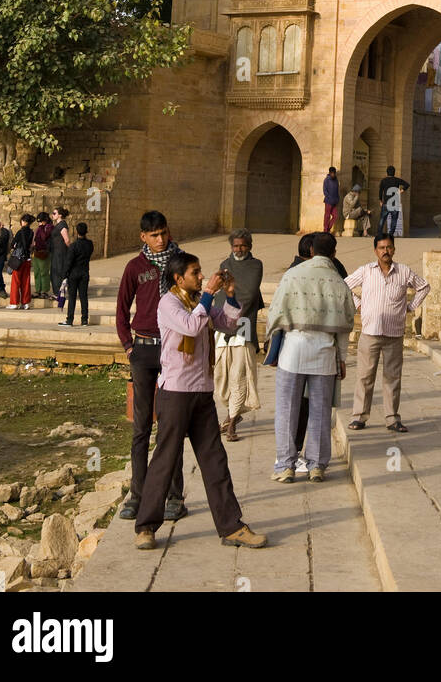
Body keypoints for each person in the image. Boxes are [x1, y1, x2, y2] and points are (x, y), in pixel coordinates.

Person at [134, 250, 267, 551]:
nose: (202, 276)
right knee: (165, 459)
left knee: (215, 459)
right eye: (196, 272)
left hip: (201, 391)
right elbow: (192, 327)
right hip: (176, 392)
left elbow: (230, 323)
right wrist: (209, 295)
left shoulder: (199, 303)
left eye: (201, 271)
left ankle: (231, 526)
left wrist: (230, 297)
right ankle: (146, 526)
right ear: (179, 278)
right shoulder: (168, 303)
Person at [267, 231, 356, 483]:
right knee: (319, 410)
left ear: (312, 251)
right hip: (325, 354)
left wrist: (272, 342)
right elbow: (344, 326)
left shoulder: (292, 275)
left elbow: (275, 315)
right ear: (334, 253)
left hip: (293, 351)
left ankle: (286, 465)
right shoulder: (339, 282)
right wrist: (341, 358)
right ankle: (317, 465)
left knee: (287, 410)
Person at [115, 210, 185, 522]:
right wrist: (128, 346)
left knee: (172, 426)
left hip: (173, 351)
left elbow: (195, 304)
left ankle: (174, 496)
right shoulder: (135, 267)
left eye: (163, 233)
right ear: (143, 236)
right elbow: (121, 309)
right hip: (142, 350)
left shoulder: (181, 263)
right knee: (142, 427)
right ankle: (138, 495)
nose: (160, 240)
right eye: (154, 235)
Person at [345, 234, 430, 433]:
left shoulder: (404, 272)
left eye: (389, 247)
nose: (385, 251)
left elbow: (424, 287)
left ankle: (392, 418)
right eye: (381, 248)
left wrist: (410, 307)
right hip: (370, 332)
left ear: (394, 249)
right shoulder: (366, 271)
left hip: (394, 333)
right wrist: (358, 305)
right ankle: (359, 416)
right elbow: (344, 285)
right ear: (375, 250)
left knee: (392, 377)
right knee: (365, 376)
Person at [214, 229, 264, 441]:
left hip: (244, 324)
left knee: (239, 376)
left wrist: (230, 297)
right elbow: (218, 290)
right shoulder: (225, 264)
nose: (239, 249)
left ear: (250, 246)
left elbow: (249, 294)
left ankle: (232, 422)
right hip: (222, 327)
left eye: (243, 245)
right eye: (235, 246)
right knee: (221, 378)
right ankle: (232, 412)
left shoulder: (255, 265)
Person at [59, 221, 94, 327]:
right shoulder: (90, 244)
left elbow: (68, 262)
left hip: (74, 274)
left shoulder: (73, 246)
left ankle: (70, 320)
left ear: (76, 232)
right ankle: (84, 320)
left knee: (72, 297)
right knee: (84, 296)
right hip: (84, 272)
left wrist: (64, 275)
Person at [8, 214, 34, 309]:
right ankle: (25, 302)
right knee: (26, 282)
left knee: (16, 281)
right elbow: (31, 245)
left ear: (23, 221)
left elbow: (12, 244)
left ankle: (14, 303)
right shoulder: (31, 232)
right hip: (27, 259)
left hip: (18, 259)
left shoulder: (20, 232)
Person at [377, 165, 409, 238]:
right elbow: (407, 184)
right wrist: (401, 190)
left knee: (382, 219)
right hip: (395, 204)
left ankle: (379, 233)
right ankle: (391, 234)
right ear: (394, 173)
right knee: (394, 220)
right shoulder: (397, 180)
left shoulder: (383, 180)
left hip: (386, 203)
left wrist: (380, 200)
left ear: (387, 172)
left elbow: (380, 191)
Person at [49, 207, 71, 303]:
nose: (52, 215)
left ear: (60, 215)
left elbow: (67, 240)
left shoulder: (62, 225)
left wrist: (70, 251)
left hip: (60, 252)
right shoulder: (58, 225)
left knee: (58, 272)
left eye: (54, 213)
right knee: (54, 272)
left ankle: (59, 294)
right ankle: (57, 293)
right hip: (56, 252)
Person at [31, 212, 53, 299]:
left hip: (44, 252)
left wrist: (41, 228)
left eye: (41, 221)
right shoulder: (40, 228)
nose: (40, 223)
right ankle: (38, 290)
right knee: (37, 272)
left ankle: (44, 290)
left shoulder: (49, 227)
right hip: (36, 252)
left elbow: (44, 237)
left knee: (44, 272)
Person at [322, 167, 340, 234]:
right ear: (329, 173)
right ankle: (325, 230)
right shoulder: (326, 180)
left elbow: (337, 190)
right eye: (332, 173)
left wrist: (338, 199)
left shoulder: (336, 180)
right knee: (327, 216)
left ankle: (328, 228)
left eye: (334, 173)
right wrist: (330, 198)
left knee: (335, 216)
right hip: (328, 201)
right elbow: (325, 191)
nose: (333, 174)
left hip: (335, 202)